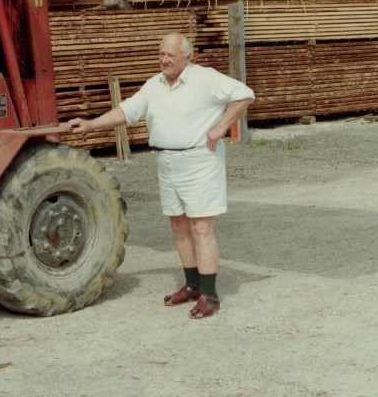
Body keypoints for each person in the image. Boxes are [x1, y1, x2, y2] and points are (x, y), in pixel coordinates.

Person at [66, 32, 254, 319]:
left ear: (188, 58)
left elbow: (244, 95)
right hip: (167, 160)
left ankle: (209, 294)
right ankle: (192, 286)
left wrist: (221, 128)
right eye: (161, 54)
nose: (164, 60)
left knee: (201, 227)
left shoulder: (206, 78)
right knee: (179, 225)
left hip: (198, 159)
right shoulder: (154, 85)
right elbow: (127, 111)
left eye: (171, 55)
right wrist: (90, 125)